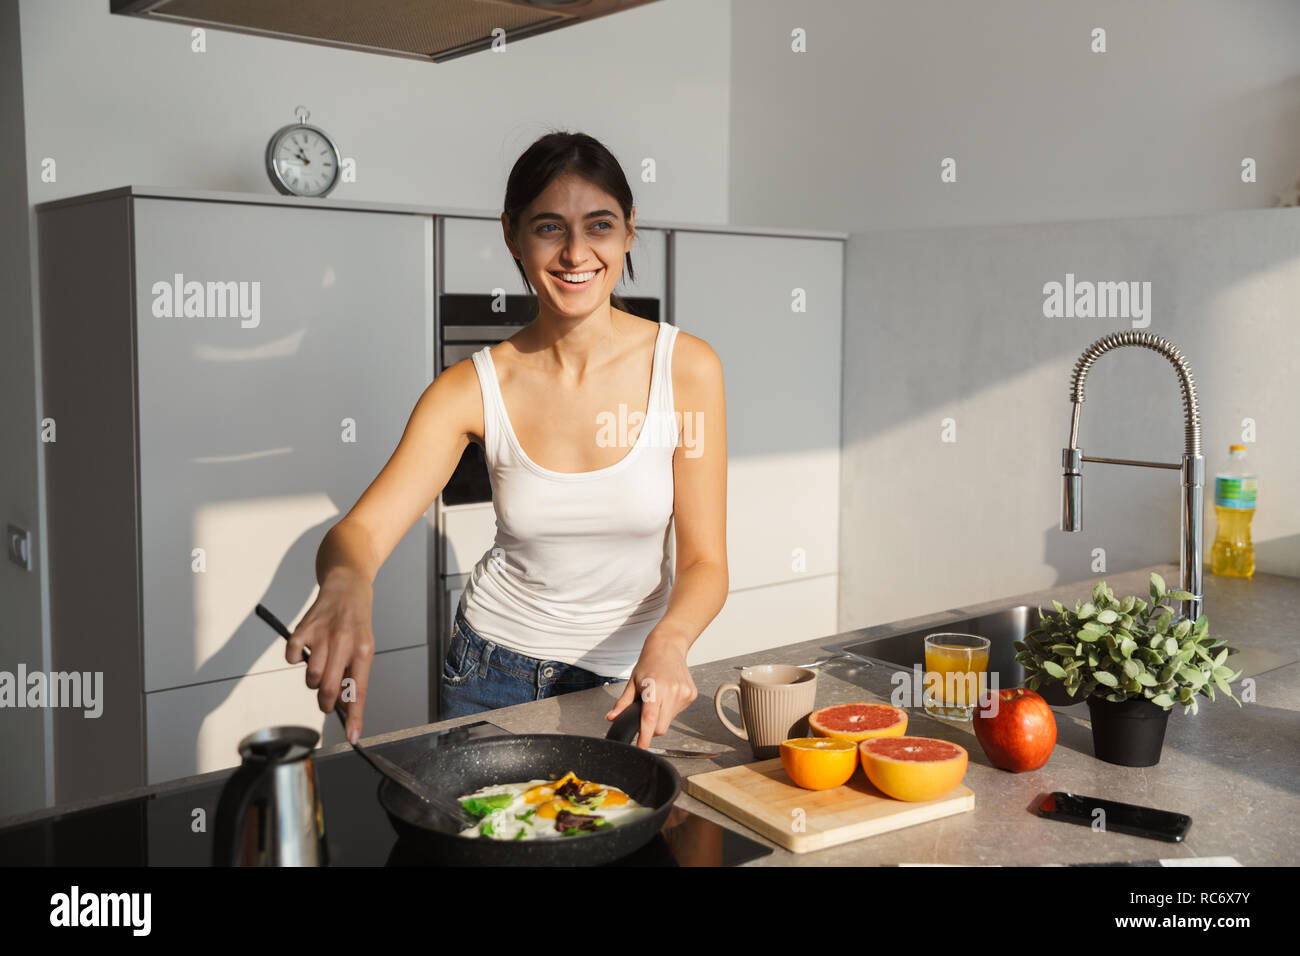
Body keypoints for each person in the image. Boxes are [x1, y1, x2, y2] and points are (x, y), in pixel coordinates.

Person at [286, 131, 728, 749]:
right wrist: (347, 583)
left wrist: (672, 640)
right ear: (511, 234)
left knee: (622, 846)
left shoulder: (686, 369)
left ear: (629, 230)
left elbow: (707, 562)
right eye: (550, 227)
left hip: (630, 682)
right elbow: (358, 533)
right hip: (490, 674)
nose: (576, 253)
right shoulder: (468, 390)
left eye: (599, 225)